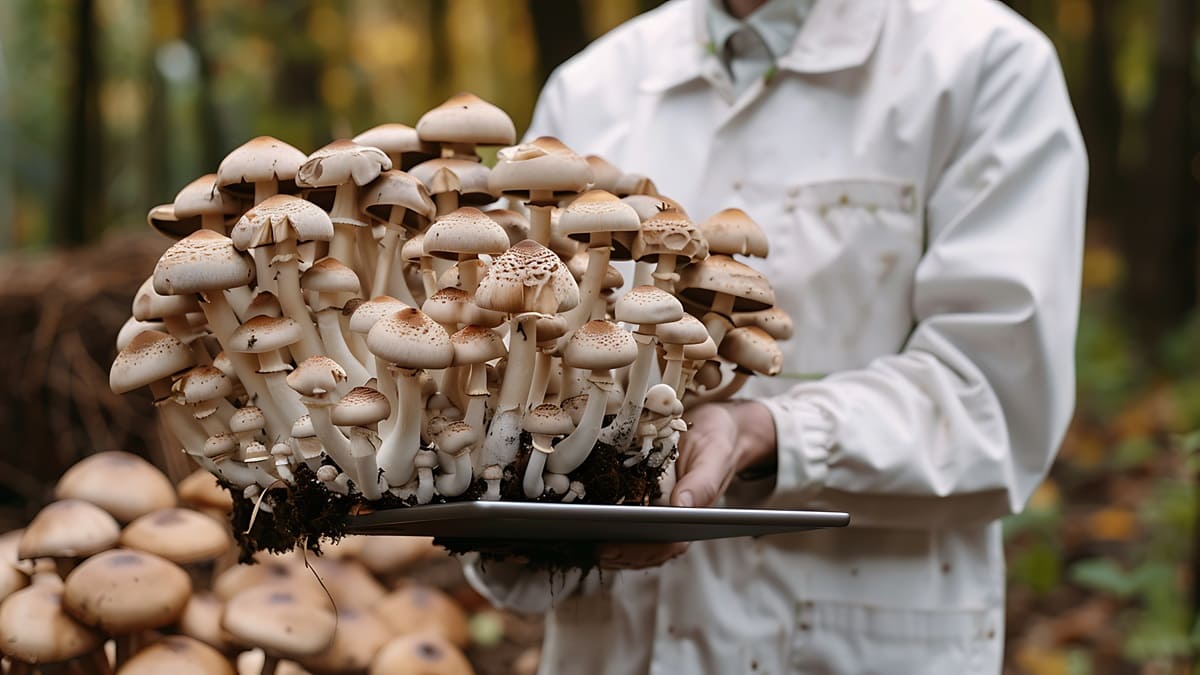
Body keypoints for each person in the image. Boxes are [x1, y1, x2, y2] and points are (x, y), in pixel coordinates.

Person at [466, 0, 1087, 672]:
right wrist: (514, 520)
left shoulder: (985, 62)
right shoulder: (591, 86)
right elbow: (506, 349)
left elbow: (997, 394)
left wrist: (768, 432)